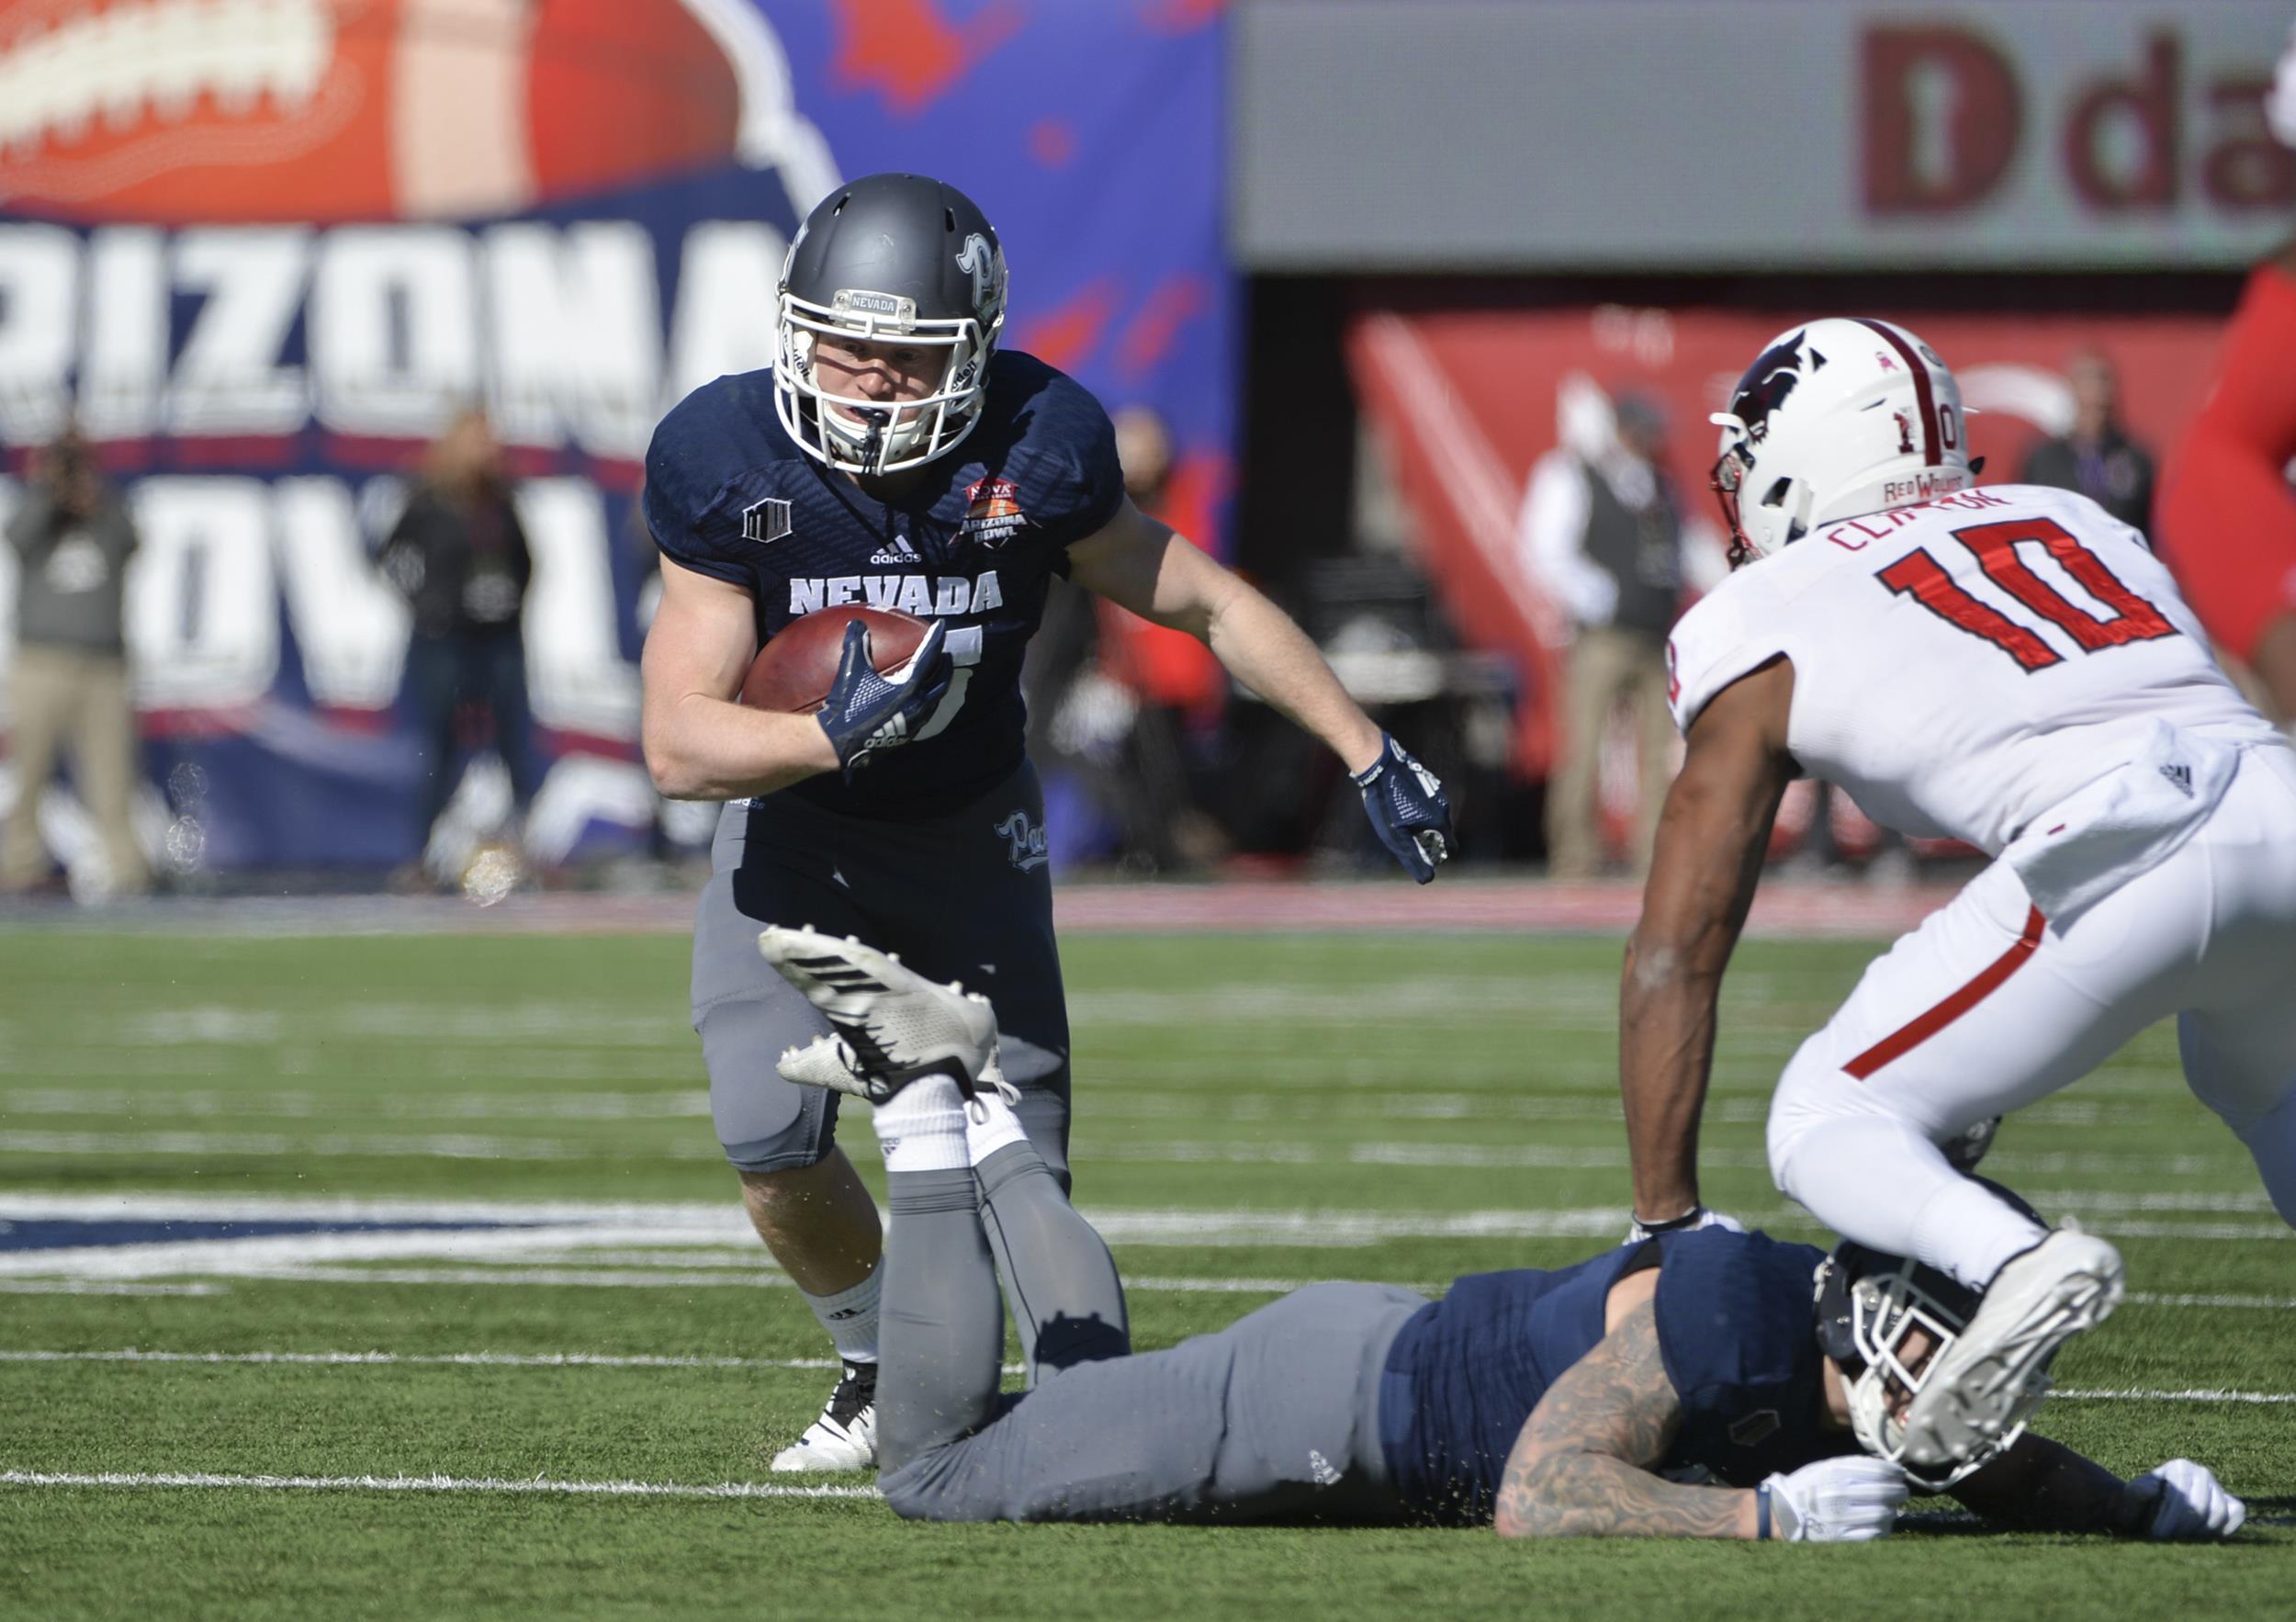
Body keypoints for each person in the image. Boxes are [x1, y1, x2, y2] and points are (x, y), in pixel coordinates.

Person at [639, 173, 1454, 1471]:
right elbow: (679, 741)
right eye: (841, 351)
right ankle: (868, 1354)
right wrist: (820, 736)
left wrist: (1365, 744)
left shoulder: (1039, 443)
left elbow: (1209, 602)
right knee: (767, 1132)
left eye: (901, 361)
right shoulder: (725, 455)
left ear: (967, 354)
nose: (864, 386)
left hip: (970, 838)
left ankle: (1067, 1411)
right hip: (797, 829)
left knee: (1026, 1173)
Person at [750, 924, 2245, 1542]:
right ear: (1870, 1310)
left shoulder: (1827, 1339)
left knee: (1070, 1404)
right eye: (1947, 1344)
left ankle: (978, 1084)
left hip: (1360, 1369)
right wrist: (1754, 1519)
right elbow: (1546, 1485)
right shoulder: (1731, 1316)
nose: (1967, 1386)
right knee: (938, 1478)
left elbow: (1995, 1452)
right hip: (1327, 1407)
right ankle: (933, 1090)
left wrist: (2139, 1512)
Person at [1614, 317, 2296, 1481]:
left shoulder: (1762, 605)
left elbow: (1677, 947)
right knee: (2248, 1075)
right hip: (2274, 789)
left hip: (2125, 836)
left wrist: (1660, 1227)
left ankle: (2014, 1258)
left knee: (1823, 1113)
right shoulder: (2075, 515)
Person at [1518, 392, 1698, 877]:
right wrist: (1603, 596)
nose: (1654, 440)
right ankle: (1575, 855)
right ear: (1622, 429)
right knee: (1584, 745)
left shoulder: (1661, 482)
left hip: (1656, 634)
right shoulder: (1574, 473)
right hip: (1603, 637)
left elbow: (1682, 548)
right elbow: (1544, 549)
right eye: (1645, 430)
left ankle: (1654, 857)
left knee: (1660, 752)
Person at [380, 408, 543, 885]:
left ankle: (525, 850)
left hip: (498, 638)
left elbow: (527, 559)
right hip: (445, 641)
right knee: (441, 747)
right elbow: (388, 555)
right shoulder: (428, 500)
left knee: (514, 744)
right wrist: (426, 603)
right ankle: (423, 857)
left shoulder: (500, 499)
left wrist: (510, 601)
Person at [4, 425, 149, 899]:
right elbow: (18, 537)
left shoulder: (108, 512)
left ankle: (125, 871)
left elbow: (130, 541)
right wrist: (49, 487)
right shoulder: (38, 511)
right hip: (41, 662)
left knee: (111, 780)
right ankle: (18, 867)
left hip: (102, 668)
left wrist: (92, 491)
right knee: (28, 775)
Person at [2019, 349, 2155, 539]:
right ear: (2072, 387)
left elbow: (2150, 528)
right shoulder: (2044, 459)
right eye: (2087, 380)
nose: (2096, 391)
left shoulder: (2136, 459)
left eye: (2103, 380)